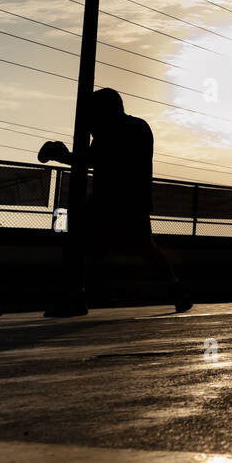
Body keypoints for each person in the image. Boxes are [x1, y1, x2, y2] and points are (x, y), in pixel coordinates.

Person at [38, 88, 189, 317]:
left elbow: (92, 159)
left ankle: (75, 298)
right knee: (146, 248)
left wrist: (64, 156)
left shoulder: (111, 130)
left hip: (110, 199)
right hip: (135, 199)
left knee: (76, 243)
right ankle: (176, 289)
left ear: (105, 110)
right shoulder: (139, 126)